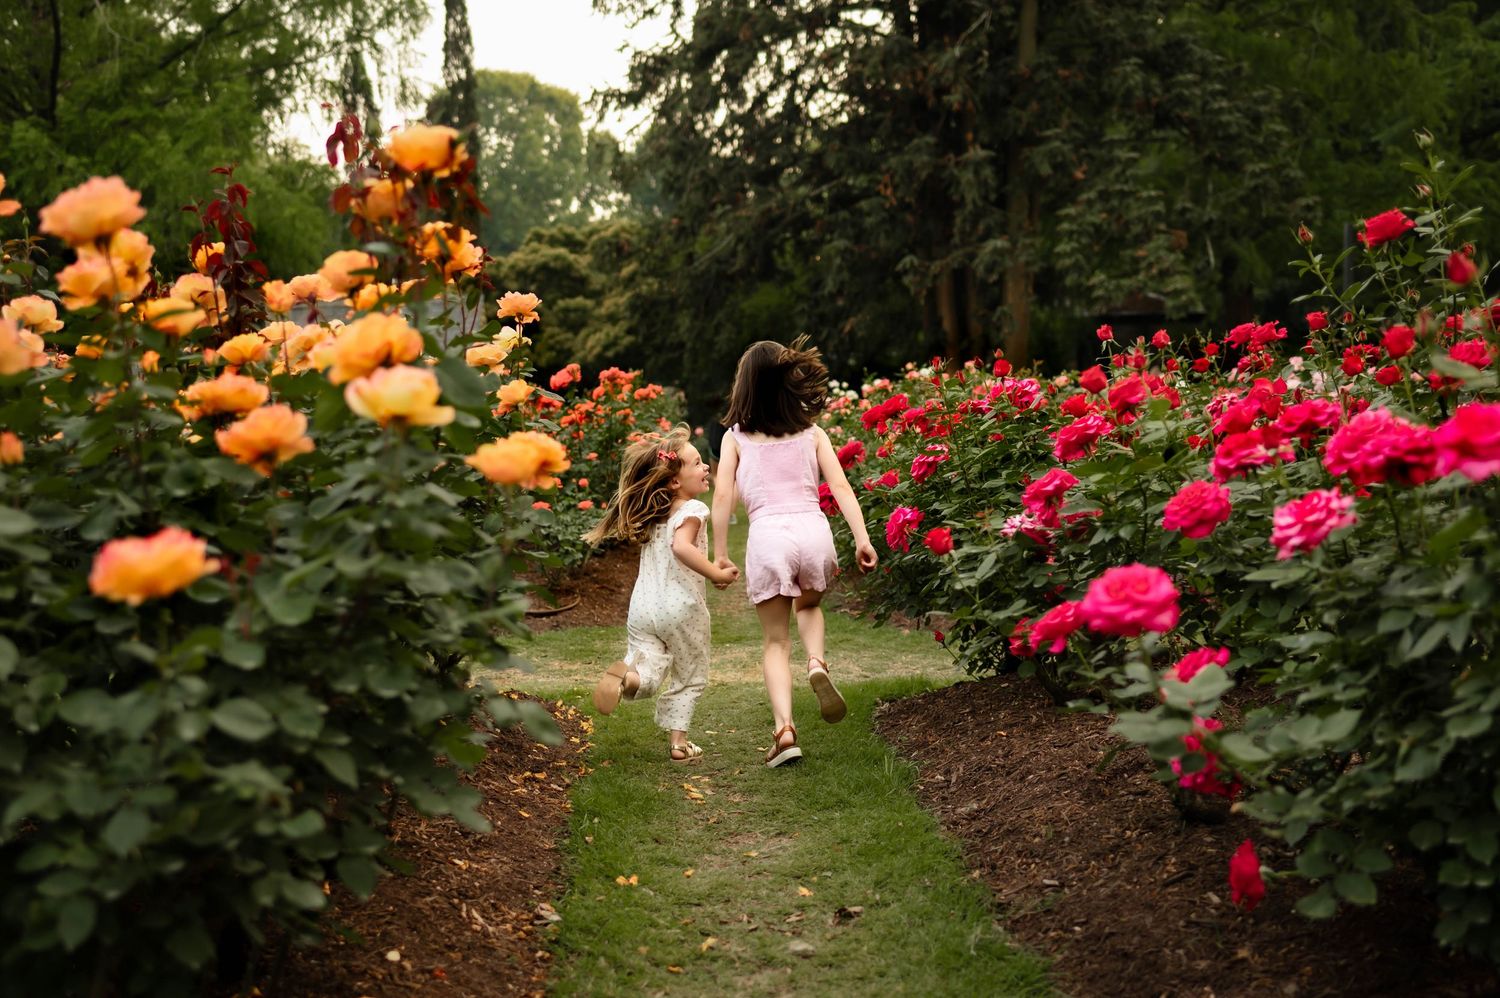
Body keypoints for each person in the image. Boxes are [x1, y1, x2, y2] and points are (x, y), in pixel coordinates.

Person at [711, 337, 878, 768]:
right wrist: (862, 538)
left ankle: (785, 731)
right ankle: (818, 662)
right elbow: (840, 487)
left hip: (770, 535)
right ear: (790, 383)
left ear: (744, 386)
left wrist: (720, 553)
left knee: (774, 642)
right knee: (809, 607)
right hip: (813, 531)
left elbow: (724, 494)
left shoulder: (736, 439)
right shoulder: (812, 433)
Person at [586, 426, 739, 762]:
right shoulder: (693, 510)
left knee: (650, 672)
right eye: (697, 464)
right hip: (680, 609)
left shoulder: (654, 516)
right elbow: (682, 548)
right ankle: (678, 745)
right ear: (674, 482)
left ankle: (627, 679)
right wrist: (715, 573)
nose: (705, 468)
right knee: (689, 675)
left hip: (643, 608)